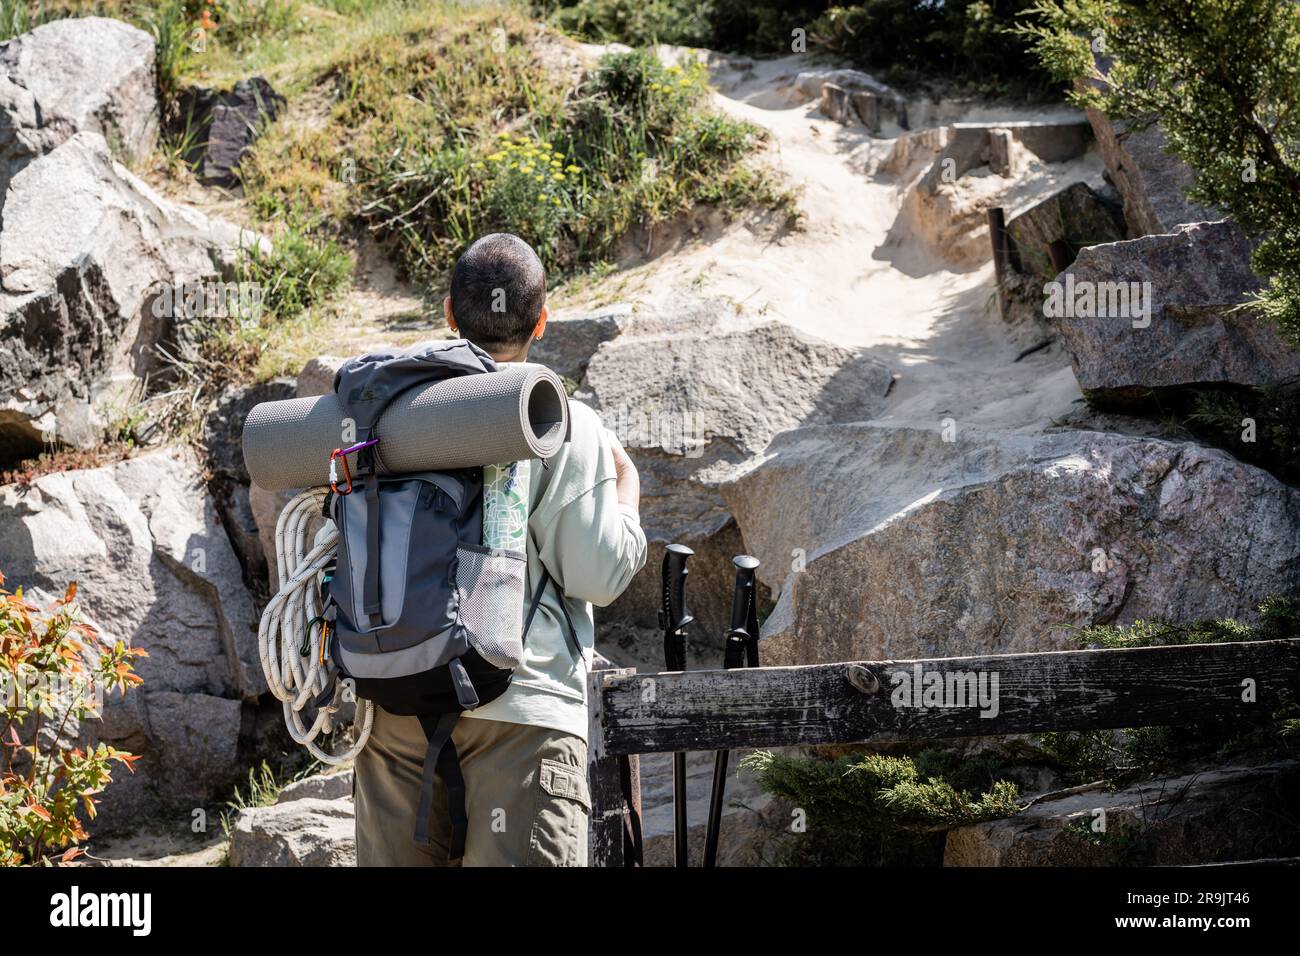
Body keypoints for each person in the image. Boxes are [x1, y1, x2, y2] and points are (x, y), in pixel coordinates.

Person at [352, 233, 647, 866]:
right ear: (543, 321)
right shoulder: (562, 421)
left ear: (449, 314)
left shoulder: (389, 413)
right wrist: (627, 490)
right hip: (523, 713)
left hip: (396, 708)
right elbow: (597, 574)